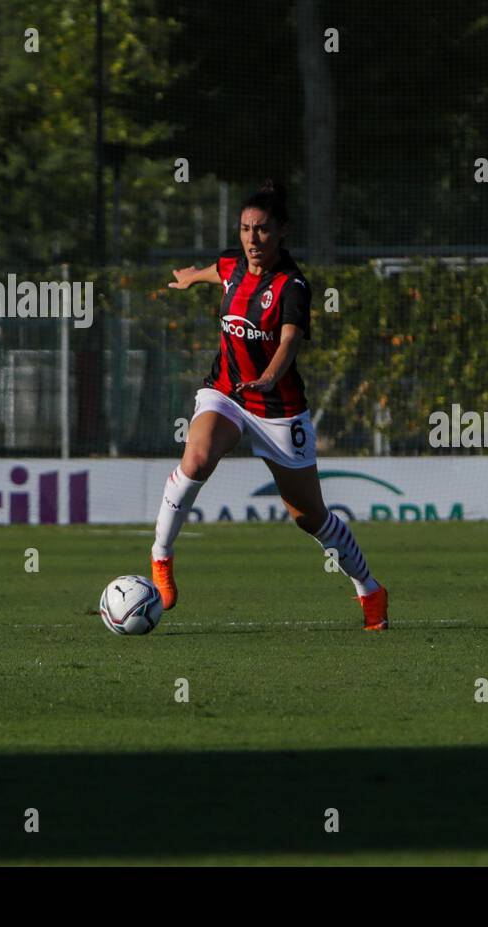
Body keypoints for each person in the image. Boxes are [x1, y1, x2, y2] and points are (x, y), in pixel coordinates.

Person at [149, 179, 389, 630]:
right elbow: (213, 271)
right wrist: (188, 277)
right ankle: (161, 557)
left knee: (310, 517)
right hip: (225, 393)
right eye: (244, 229)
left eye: (261, 230)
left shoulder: (293, 286)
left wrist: (268, 378)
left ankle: (369, 588)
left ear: (282, 232)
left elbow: (290, 341)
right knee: (196, 460)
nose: (251, 239)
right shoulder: (232, 267)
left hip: (279, 410)